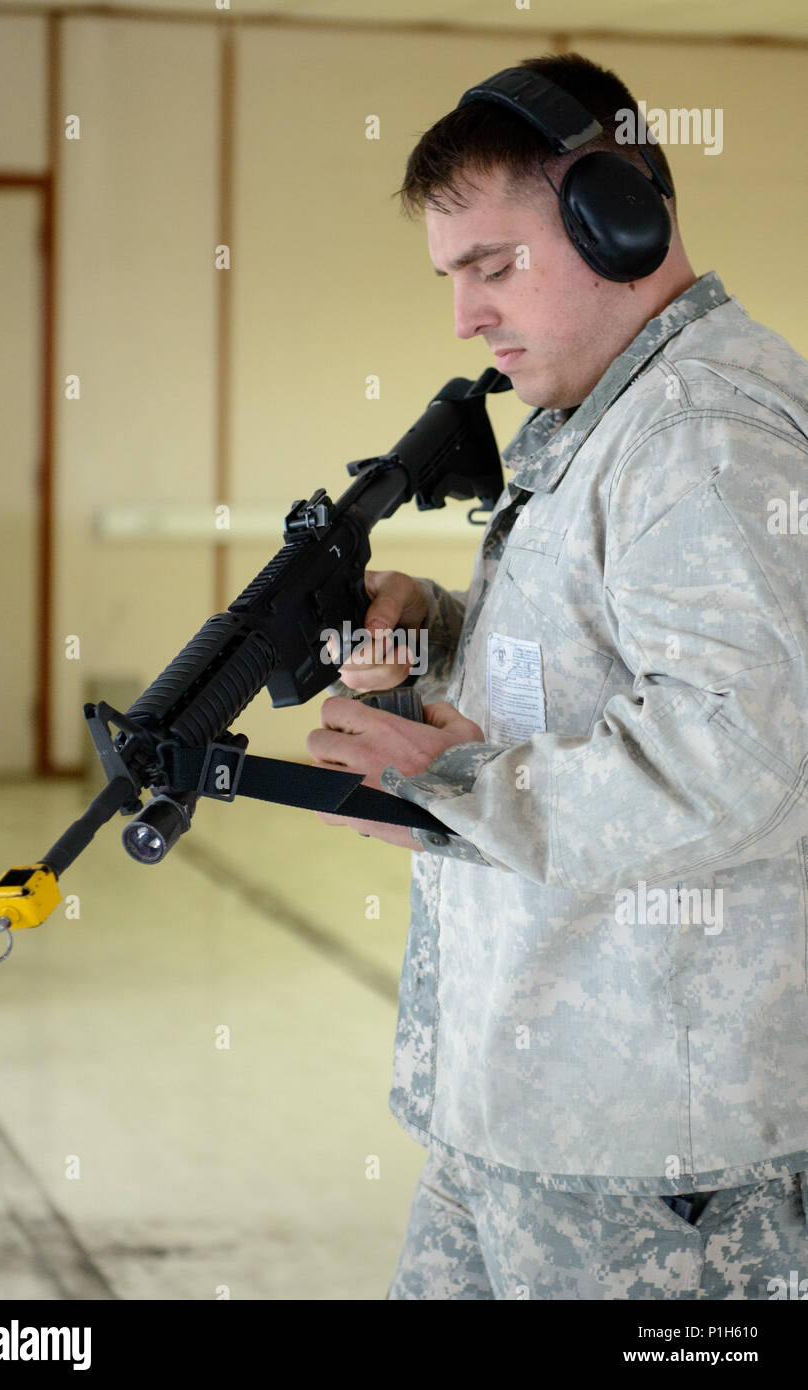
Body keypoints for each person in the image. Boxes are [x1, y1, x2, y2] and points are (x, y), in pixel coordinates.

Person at [306, 52, 808, 1300]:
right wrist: (434, 629)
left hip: (652, 1157)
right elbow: (598, 662)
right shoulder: (615, 417)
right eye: (450, 276)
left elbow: (734, 752)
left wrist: (454, 774)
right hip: (525, 1110)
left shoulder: (700, 430)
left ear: (620, 220)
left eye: (492, 265)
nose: (464, 316)